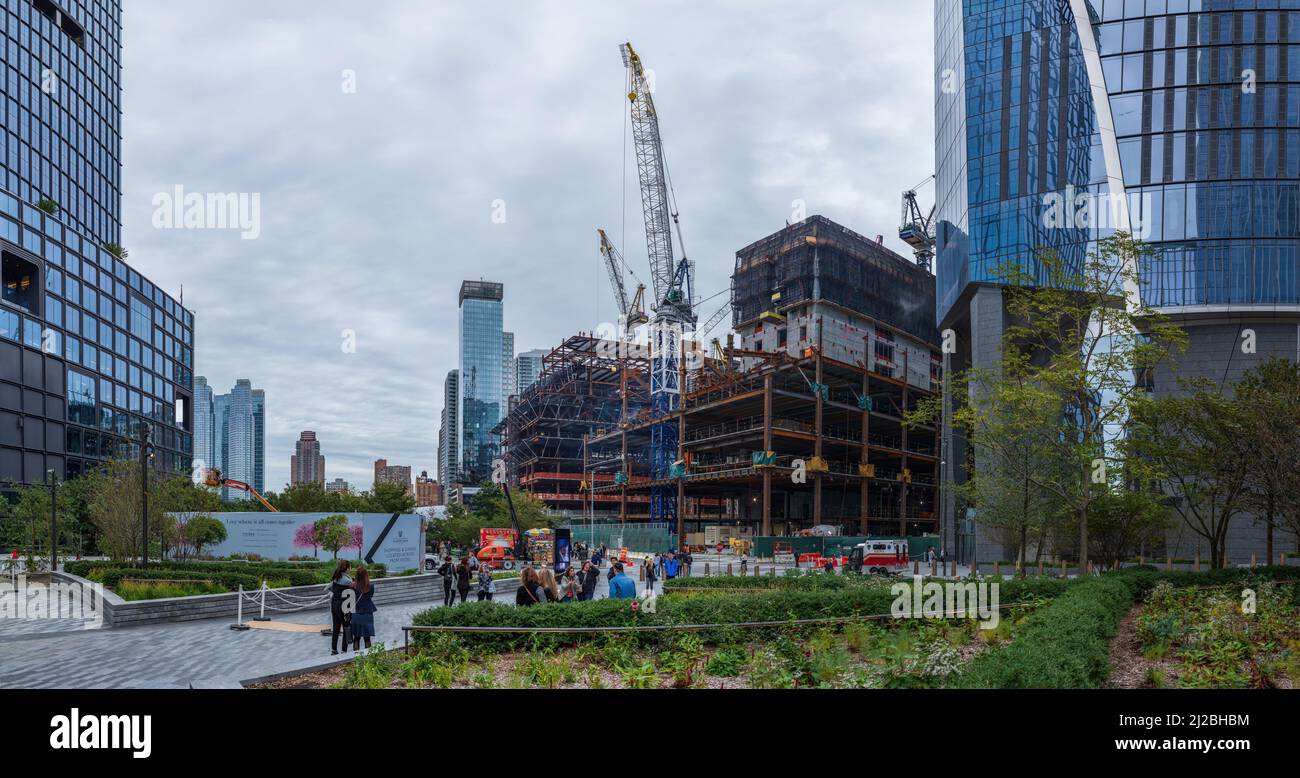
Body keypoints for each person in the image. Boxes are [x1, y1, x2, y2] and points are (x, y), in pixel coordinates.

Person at [326, 560, 352, 655]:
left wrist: (336, 592)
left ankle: (334, 650)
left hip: (334, 605)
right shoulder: (347, 580)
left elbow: (326, 588)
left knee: (336, 628)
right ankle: (344, 650)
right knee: (346, 627)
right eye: (350, 567)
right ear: (347, 568)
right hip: (344, 606)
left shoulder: (336, 578)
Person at [350, 564, 377, 652]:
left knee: (356, 639)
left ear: (356, 575)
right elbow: (370, 596)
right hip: (367, 614)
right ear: (366, 575)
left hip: (356, 614)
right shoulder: (371, 586)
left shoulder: (353, 586)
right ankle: (368, 660)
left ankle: (356, 659)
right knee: (367, 639)